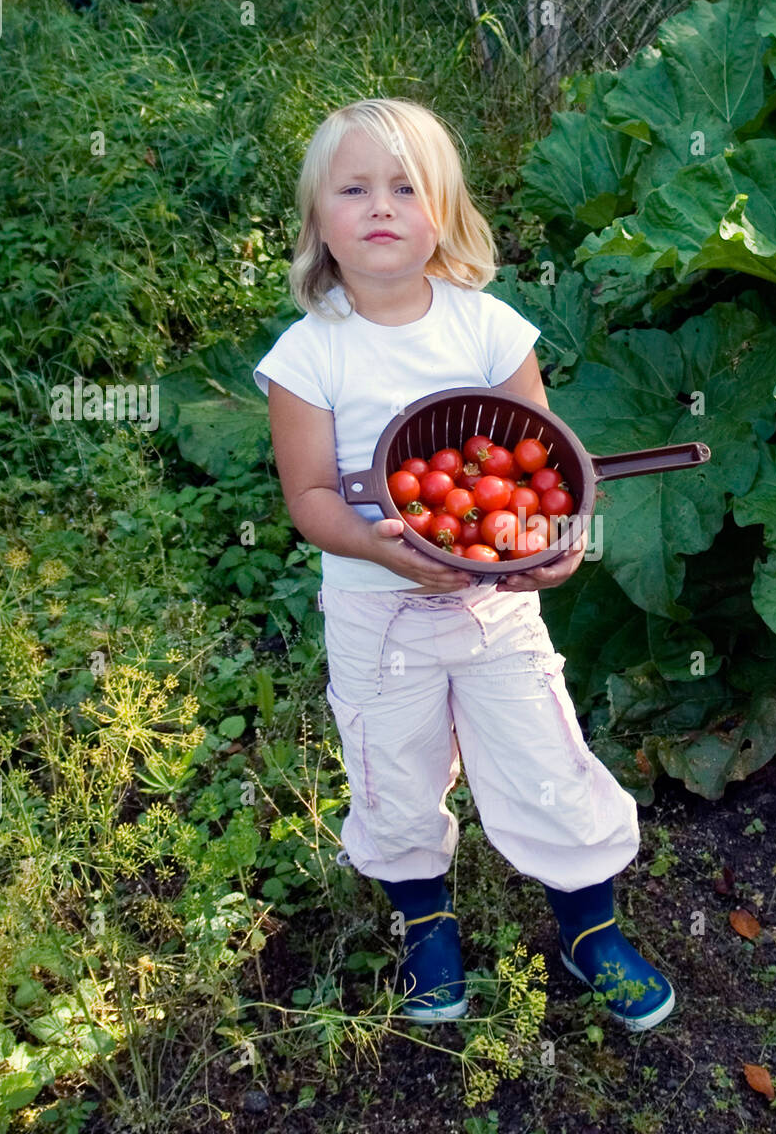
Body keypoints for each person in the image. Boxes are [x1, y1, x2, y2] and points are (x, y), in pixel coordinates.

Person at [252, 97, 674, 1032]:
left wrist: (551, 555)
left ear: (442, 211)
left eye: (406, 187)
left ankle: (591, 930)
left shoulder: (491, 331)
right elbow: (313, 497)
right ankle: (427, 927)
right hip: (375, 616)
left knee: (544, 762)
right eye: (353, 188)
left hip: (495, 615)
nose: (381, 206)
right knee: (391, 773)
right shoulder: (307, 356)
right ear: (319, 219)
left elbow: (544, 470)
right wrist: (380, 544)